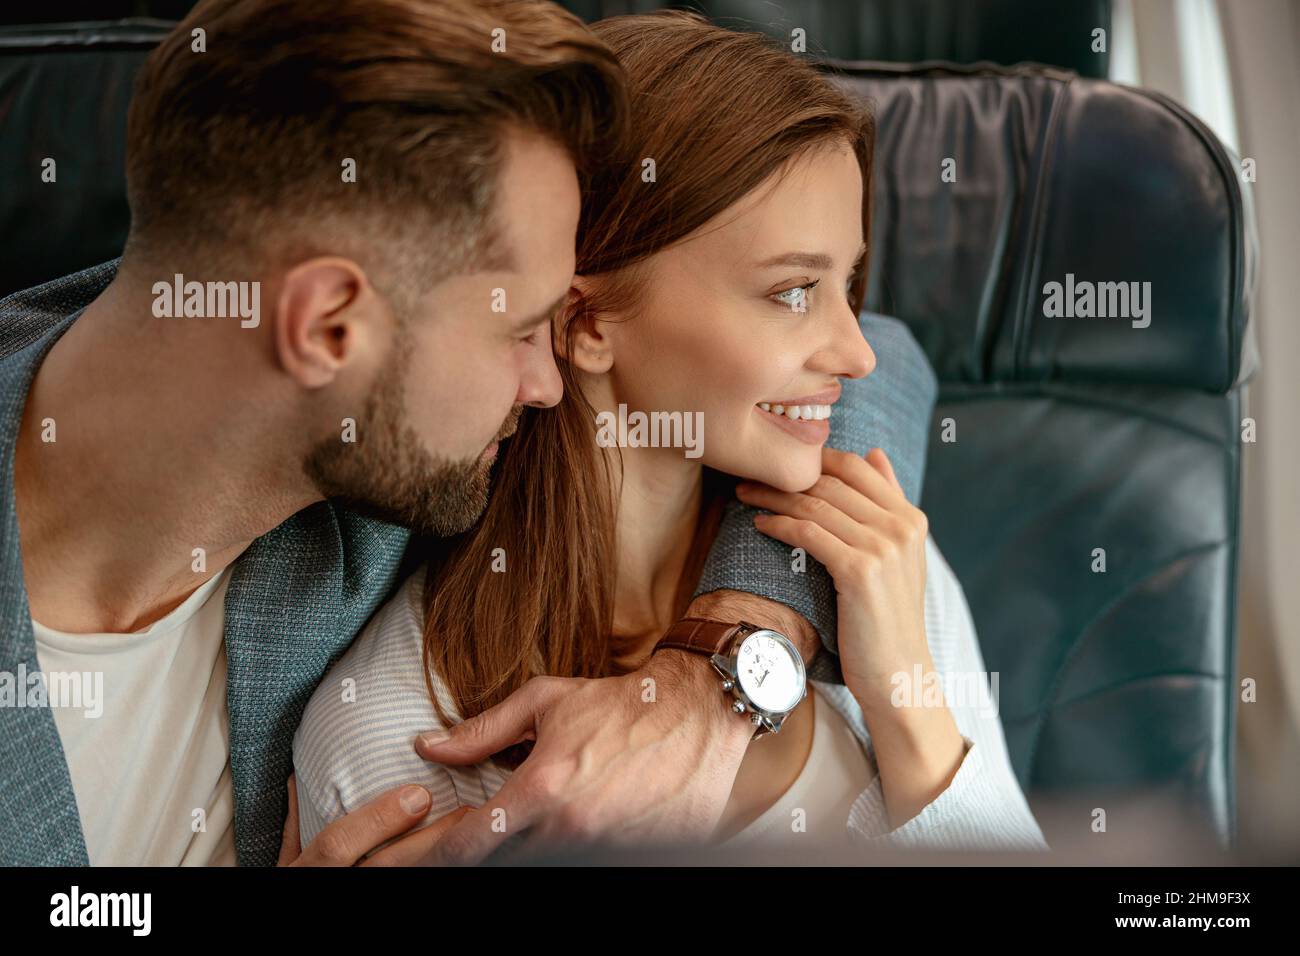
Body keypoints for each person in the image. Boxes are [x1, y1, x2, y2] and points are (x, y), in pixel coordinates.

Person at [0, 0, 819, 867]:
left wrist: (719, 667)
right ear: (326, 329)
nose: (551, 385)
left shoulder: (349, 432)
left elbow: (873, 357)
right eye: (519, 328)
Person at [294, 10, 1047, 861]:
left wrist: (913, 719)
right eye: (793, 291)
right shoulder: (397, 730)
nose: (859, 352)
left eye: (849, 285)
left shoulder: (870, 557)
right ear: (584, 321)